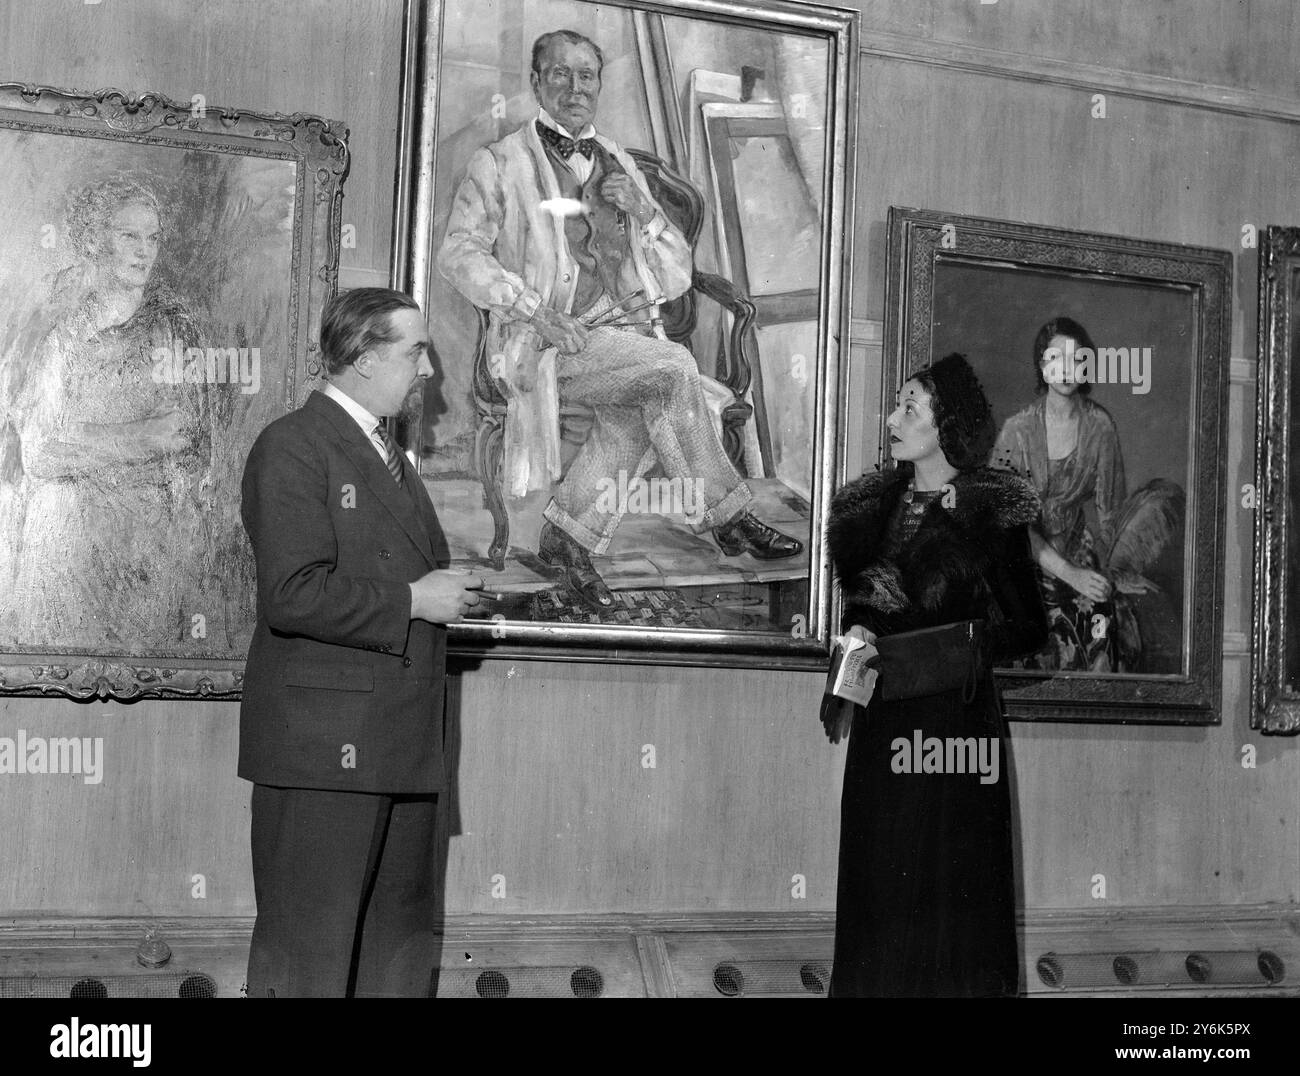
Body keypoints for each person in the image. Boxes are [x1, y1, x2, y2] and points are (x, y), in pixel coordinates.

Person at [437, 28, 800, 610]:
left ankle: (566, 540)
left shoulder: (620, 163)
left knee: (642, 398)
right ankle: (729, 515)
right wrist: (534, 311)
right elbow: (458, 254)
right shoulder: (499, 162)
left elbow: (678, 273)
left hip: (622, 335)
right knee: (673, 367)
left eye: (587, 75)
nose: (575, 86)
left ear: (599, 85)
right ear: (537, 83)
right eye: (560, 73)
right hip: (543, 343)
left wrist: (644, 215)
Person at [239, 288, 483, 997]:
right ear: (366, 357)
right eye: (415, 350)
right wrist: (415, 598)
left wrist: (446, 591)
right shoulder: (291, 445)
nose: (429, 367)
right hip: (324, 755)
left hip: (401, 749)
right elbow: (291, 593)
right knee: (310, 963)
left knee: (396, 963)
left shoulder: (390, 457)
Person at [825, 352, 1048, 997]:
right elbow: (865, 608)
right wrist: (861, 630)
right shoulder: (869, 512)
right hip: (883, 724)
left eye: (909, 408)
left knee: (950, 892)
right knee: (879, 881)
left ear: (944, 424)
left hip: (955, 727)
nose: (892, 418)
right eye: (895, 405)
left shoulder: (989, 511)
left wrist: (958, 646)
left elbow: (1029, 627)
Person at [7, 176, 222, 650]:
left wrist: (82, 435)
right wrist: (141, 435)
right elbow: (40, 455)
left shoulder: (174, 328)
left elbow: (182, 434)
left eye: (153, 238)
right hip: (72, 538)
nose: (144, 250)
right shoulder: (65, 334)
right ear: (95, 240)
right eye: (128, 235)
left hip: (147, 535)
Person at [994, 316, 1182, 672]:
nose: (1067, 369)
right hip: (1023, 555)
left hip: (1079, 546)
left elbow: (1110, 510)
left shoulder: (1100, 425)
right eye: (1056, 359)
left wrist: (1118, 570)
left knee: (1105, 619)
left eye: (1077, 359)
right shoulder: (1016, 431)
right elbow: (1010, 526)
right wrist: (1069, 573)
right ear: (1041, 365)